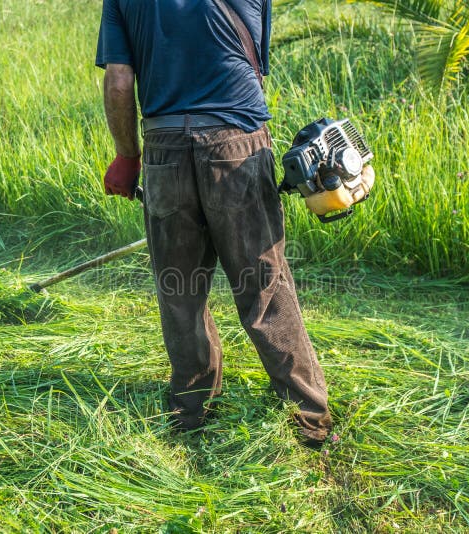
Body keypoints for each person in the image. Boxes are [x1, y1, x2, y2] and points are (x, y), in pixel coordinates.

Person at [95, 0, 332, 446]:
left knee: (179, 288)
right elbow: (254, 63)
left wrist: (128, 157)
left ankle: (191, 410)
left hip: (164, 148)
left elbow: (119, 79)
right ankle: (309, 419)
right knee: (264, 286)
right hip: (237, 140)